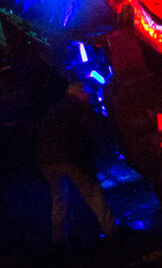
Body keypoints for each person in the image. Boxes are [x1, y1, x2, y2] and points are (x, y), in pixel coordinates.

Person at [35, 81, 115, 246]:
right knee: (93, 193)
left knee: (59, 197)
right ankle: (113, 233)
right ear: (80, 94)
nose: (88, 96)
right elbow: (85, 137)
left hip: (46, 159)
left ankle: (58, 241)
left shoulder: (56, 108)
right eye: (85, 93)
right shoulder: (78, 109)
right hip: (67, 157)